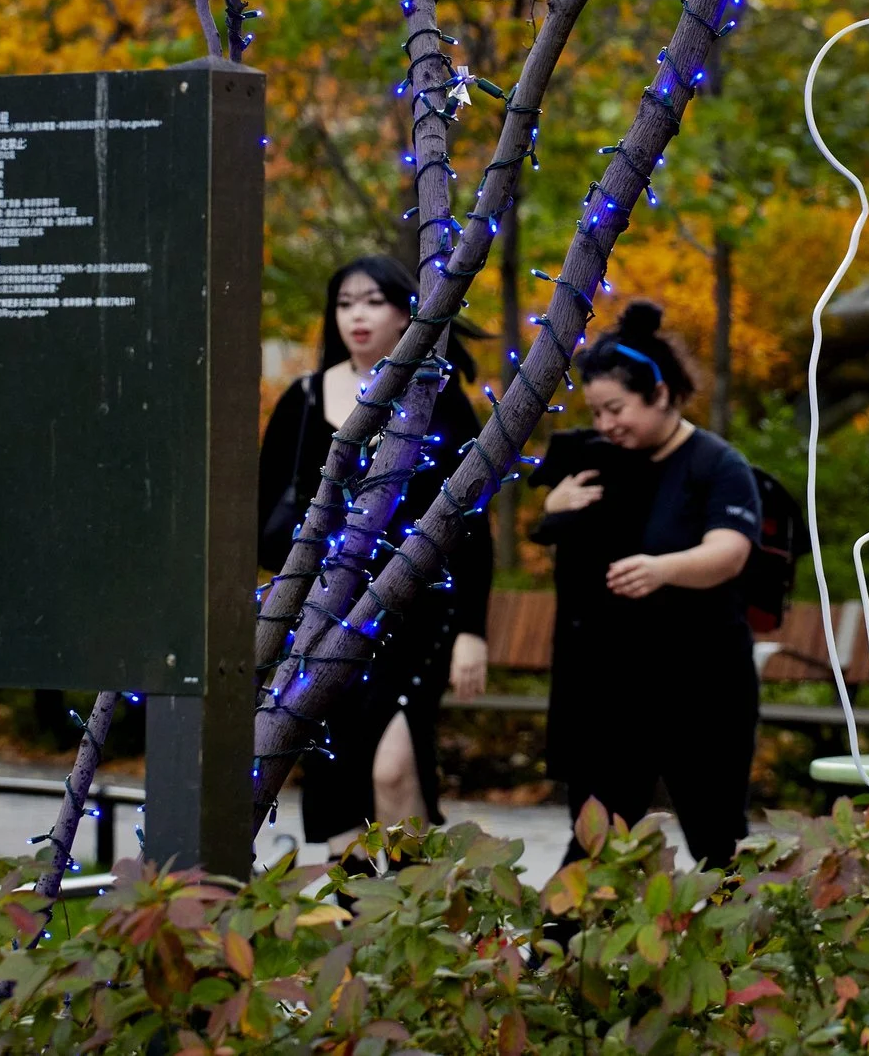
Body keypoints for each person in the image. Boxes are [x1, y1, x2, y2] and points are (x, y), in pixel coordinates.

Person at [258, 255, 490, 857]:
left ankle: (417, 913)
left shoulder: (436, 399)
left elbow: (470, 525)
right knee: (337, 774)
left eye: (373, 301)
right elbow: (262, 512)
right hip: (322, 612)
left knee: (391, 768)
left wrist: (473, 629)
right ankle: (359, 921)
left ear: (405, 311)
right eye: (344, 303)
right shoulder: (305, 398)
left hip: (415, 612)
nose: (357, 316)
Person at [532, 301, 761, 868]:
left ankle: (737, 952)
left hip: (701, 681)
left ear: (659, 393)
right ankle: (559, 953)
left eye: (617, 409)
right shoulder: (599, 459)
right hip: (613, 687)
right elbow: (564, 540)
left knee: (714, 840)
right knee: (597, 840)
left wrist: (663, 569)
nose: (606, 424)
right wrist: (553, 507)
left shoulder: (717, 464)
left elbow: (730, 552)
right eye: (597, 411)